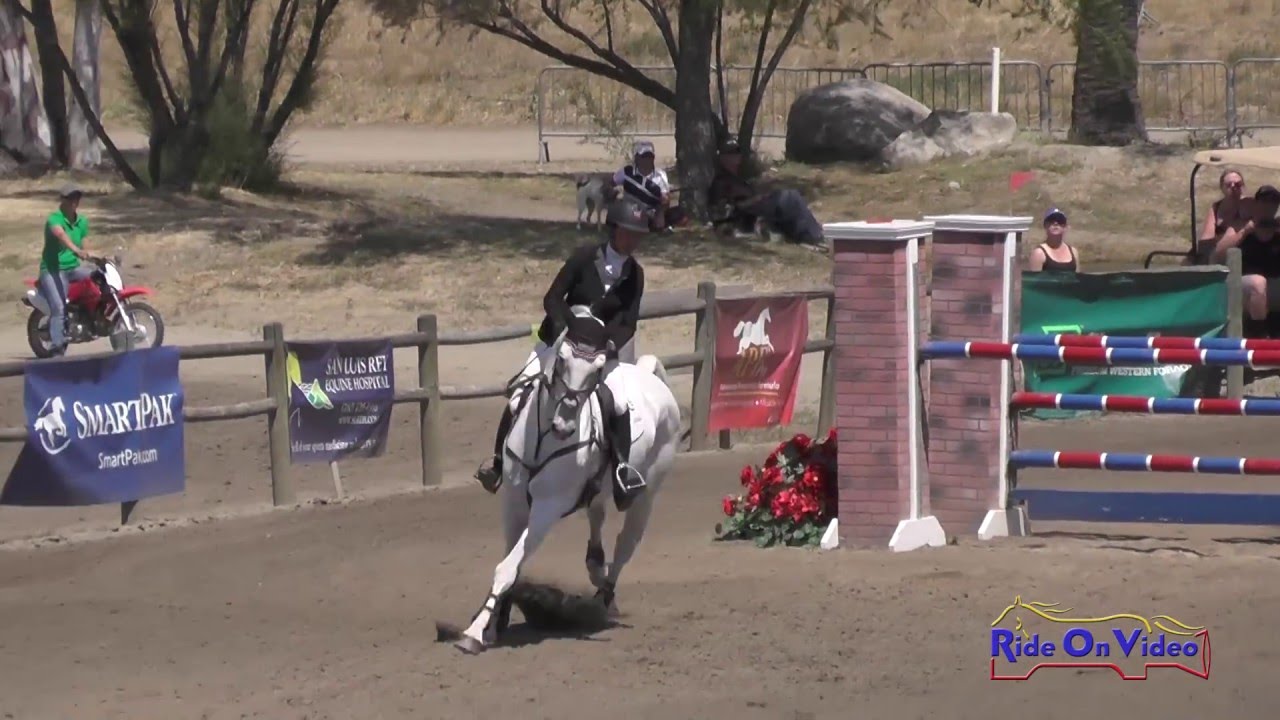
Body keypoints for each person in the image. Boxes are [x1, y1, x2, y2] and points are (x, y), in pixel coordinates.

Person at [474, 198, 652, 505]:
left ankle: (621, 470)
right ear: (613, 229)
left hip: (598, 354)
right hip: (557, 343)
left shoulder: (635, 274)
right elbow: (553, 298)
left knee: (620, 403)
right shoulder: (583, 257)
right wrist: (568, 328)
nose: (632, 240)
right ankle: (498, 464)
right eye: (628, 232)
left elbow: (629, 323)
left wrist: (607, 343)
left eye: (637, 235)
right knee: (519, 396)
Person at [708, 139, 826, 251]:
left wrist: (762, 190)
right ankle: (813, 236)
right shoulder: (721, 182)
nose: (735, 157)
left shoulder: (734, 177)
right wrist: (759, 199)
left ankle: (810, 233)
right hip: (748, 215)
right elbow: (733, 208)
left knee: (790, 199)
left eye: (737, 153)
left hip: (755, 208)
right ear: (722, 158)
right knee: (790, 198)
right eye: (730, 154)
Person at [1212, 188, 1280, 332]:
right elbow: (1217, 254)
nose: (1268, 206)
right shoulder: (1239, 226)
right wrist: (1245, 232)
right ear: (1256, 204)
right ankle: (1258, 334)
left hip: (1273, 281)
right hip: (1242, 282)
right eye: (1264, 202)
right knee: (1258, 283)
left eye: (1273, 202)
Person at [37, 184, 94, 352]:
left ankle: (92, 318)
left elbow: (85, 243)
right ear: (63, 200)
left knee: (99, 276)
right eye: (70, 198)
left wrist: (94, 255)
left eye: (77, 198)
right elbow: (61, 235)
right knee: (59, 308)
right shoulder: (54, 219)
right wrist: (76, 250)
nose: (74, 202)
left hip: (74, 269)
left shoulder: (82, 221)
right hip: (53, 270)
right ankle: (57, 349)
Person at [608, 140, 686, 232]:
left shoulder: (660, 175)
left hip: (651, 212)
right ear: (637, 158)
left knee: (678, 214)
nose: (648, 160)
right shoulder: (626, 172)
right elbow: (610, 185)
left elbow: (665, 199)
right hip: (631, 211)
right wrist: (613, 194)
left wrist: (660, 211)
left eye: (650, 156)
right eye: (644, 157)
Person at [1197, 169, 1253, 262]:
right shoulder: (1216, 207)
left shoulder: (1249, 204)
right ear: (1222, 188)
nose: (1233, 187)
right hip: (1217, 253)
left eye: (1237, 184)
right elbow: (1206, 241)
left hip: (1242, 252)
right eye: (1228, 184)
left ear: (1243, 186)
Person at [1027, 208, 1080, 272]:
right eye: (1051, 220)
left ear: (1065, 227)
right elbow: (1034, 280)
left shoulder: (1074, 252)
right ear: (1045, 225)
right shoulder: (1039, 253)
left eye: (1060, 221)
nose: (1055, 223)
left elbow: (1078, 279)